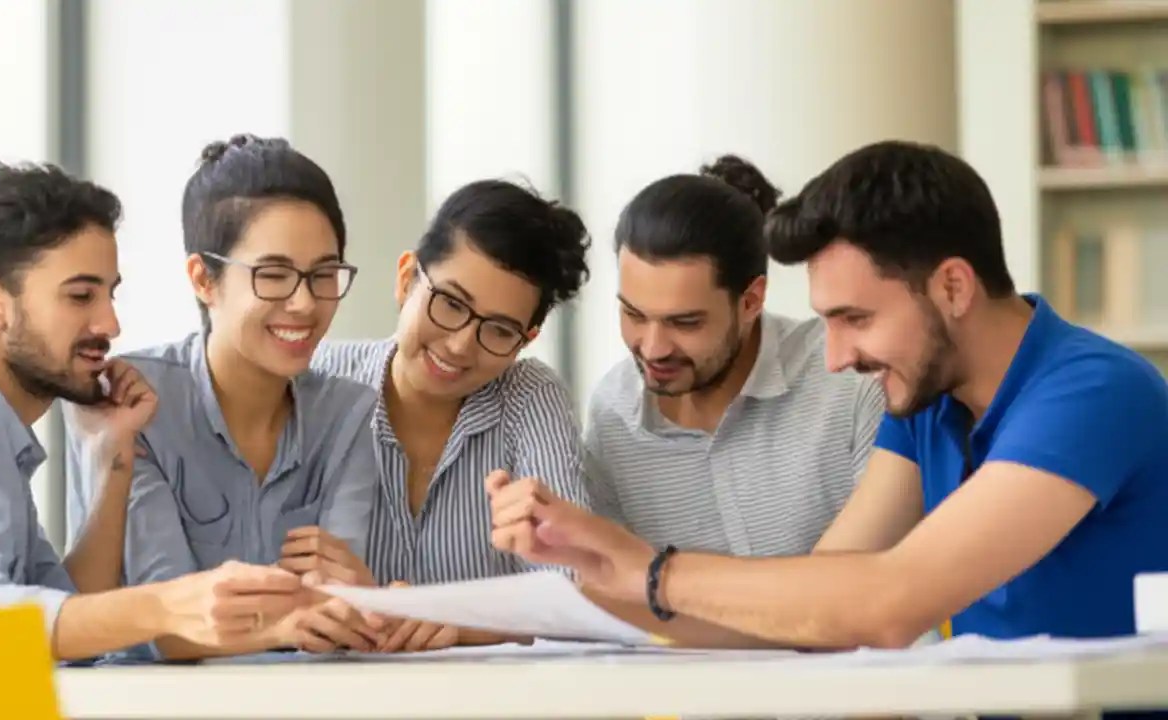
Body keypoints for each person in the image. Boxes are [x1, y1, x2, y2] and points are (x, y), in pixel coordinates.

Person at [486, 140, 1168, 650]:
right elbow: (823, 601)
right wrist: (570, 583)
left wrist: (653, 572)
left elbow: (892, 601)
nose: (836, 356)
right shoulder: (929, 405)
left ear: (953, 288)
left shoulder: (1092, 392)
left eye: (856, 319)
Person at [0, 161, 304, 662]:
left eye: (110, 294)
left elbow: (71, 624)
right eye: (81, 296)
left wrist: (114, 457)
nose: (110, 323)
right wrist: (170, 605)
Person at [66, 135, 383, 658]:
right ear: (203, 280)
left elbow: (336, 605)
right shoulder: (133, 403)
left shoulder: (348, 416)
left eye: (324, 274)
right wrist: (287, 624)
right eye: (274, 275)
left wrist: (342, 603)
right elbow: (160, 622)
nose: (304, 303)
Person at [313, 178, 592, 649]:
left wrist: (458, 619)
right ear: (406, 279)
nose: (461, 345)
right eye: (450, 303)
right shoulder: (319, 381)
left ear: (527, 339)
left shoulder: (529, 397)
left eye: (500, 330)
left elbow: (572, 588)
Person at [585, 155, 882, 563]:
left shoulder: (847, 382)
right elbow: (615, 590)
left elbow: (876, 581)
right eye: (633, 314)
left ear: (751, 301)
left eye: (684, 322)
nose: (653, 348)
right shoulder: (612, 413)